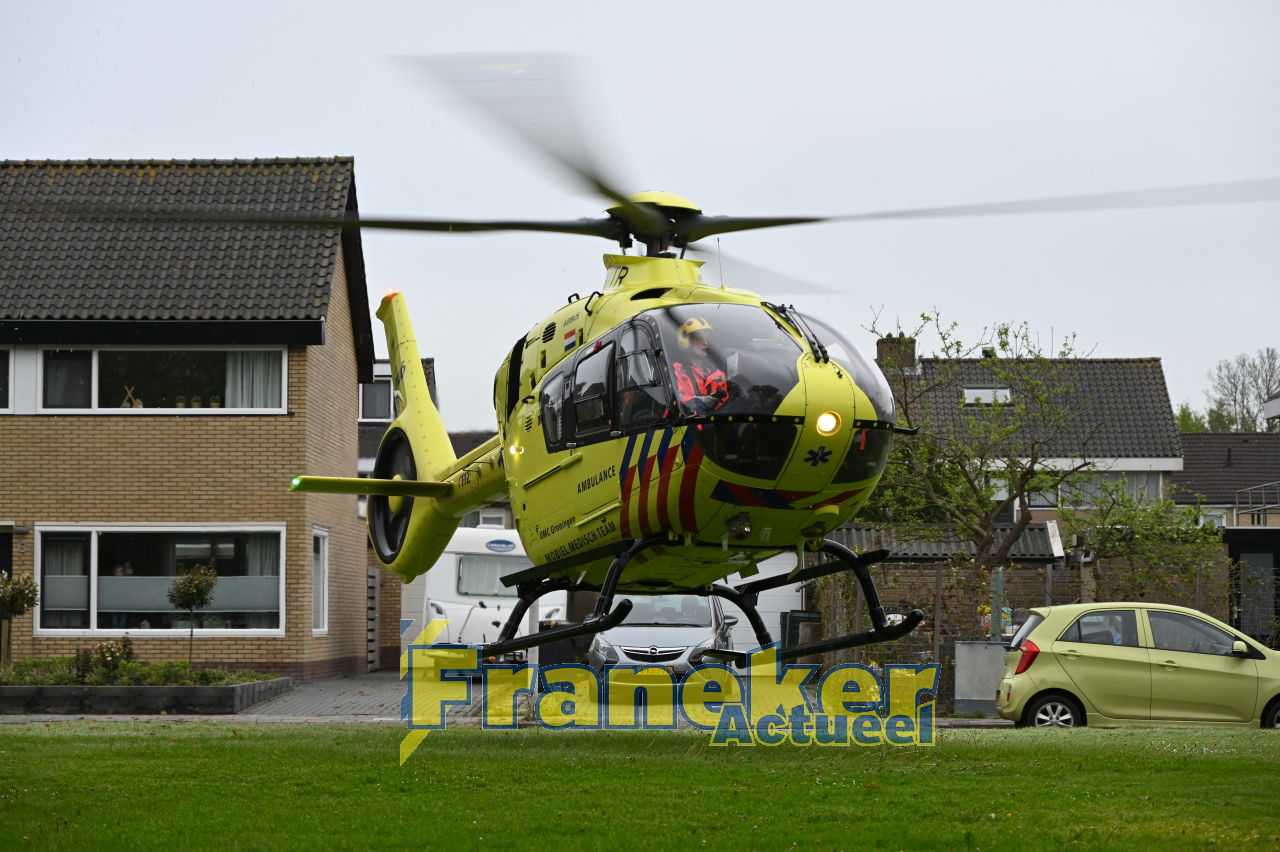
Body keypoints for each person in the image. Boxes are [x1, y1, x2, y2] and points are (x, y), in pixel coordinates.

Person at [671, 317, 729, 415]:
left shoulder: (718, 374)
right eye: (699, 338)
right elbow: (677, 403)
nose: (705, 343)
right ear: (686, 341)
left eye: (707, 338)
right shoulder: (674, 371)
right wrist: (697, 402)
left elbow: (726, 407)